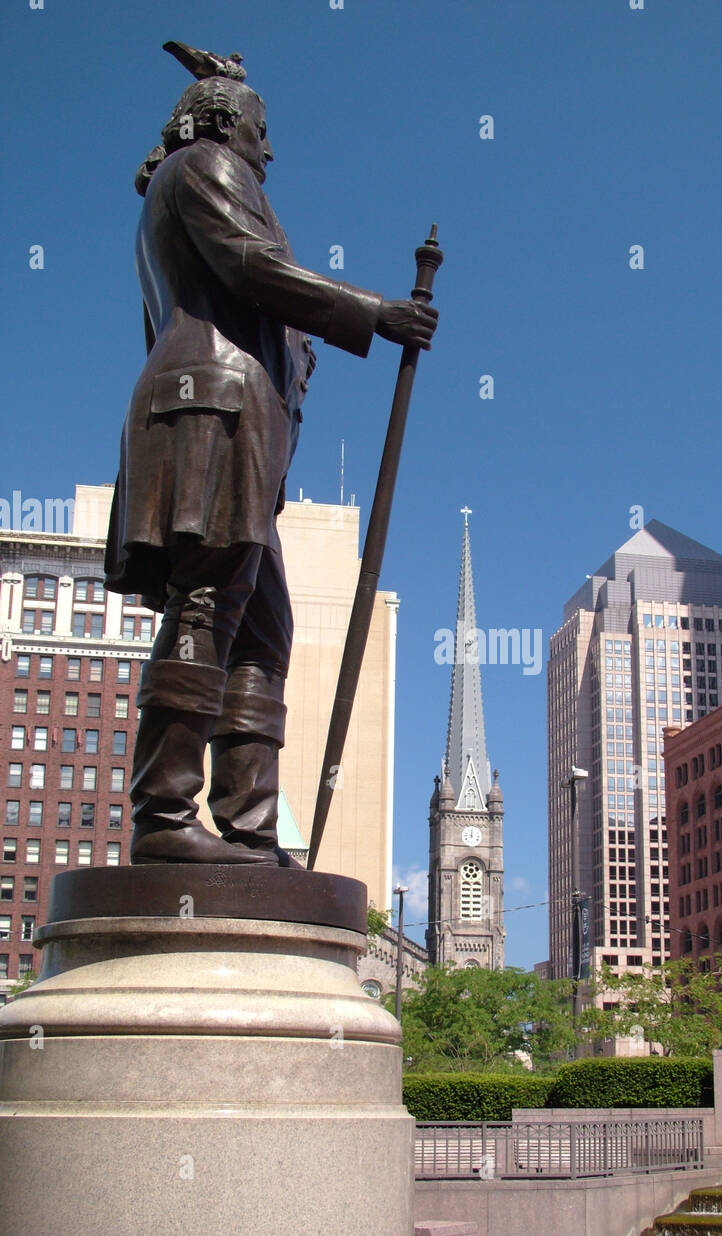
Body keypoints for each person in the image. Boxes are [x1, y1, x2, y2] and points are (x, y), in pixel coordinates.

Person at [105, 65, 437, 866]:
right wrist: (375, 314)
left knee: (261, 628)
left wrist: (302, 354)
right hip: (210, 412)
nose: (271, 150)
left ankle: (248, 827)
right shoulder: (203, 168)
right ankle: (163, 817)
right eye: (262, 129)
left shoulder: (184, 183)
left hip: (232, 422)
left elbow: (250, 297)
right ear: (221, 124)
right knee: (207, 603)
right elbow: (253, 268)